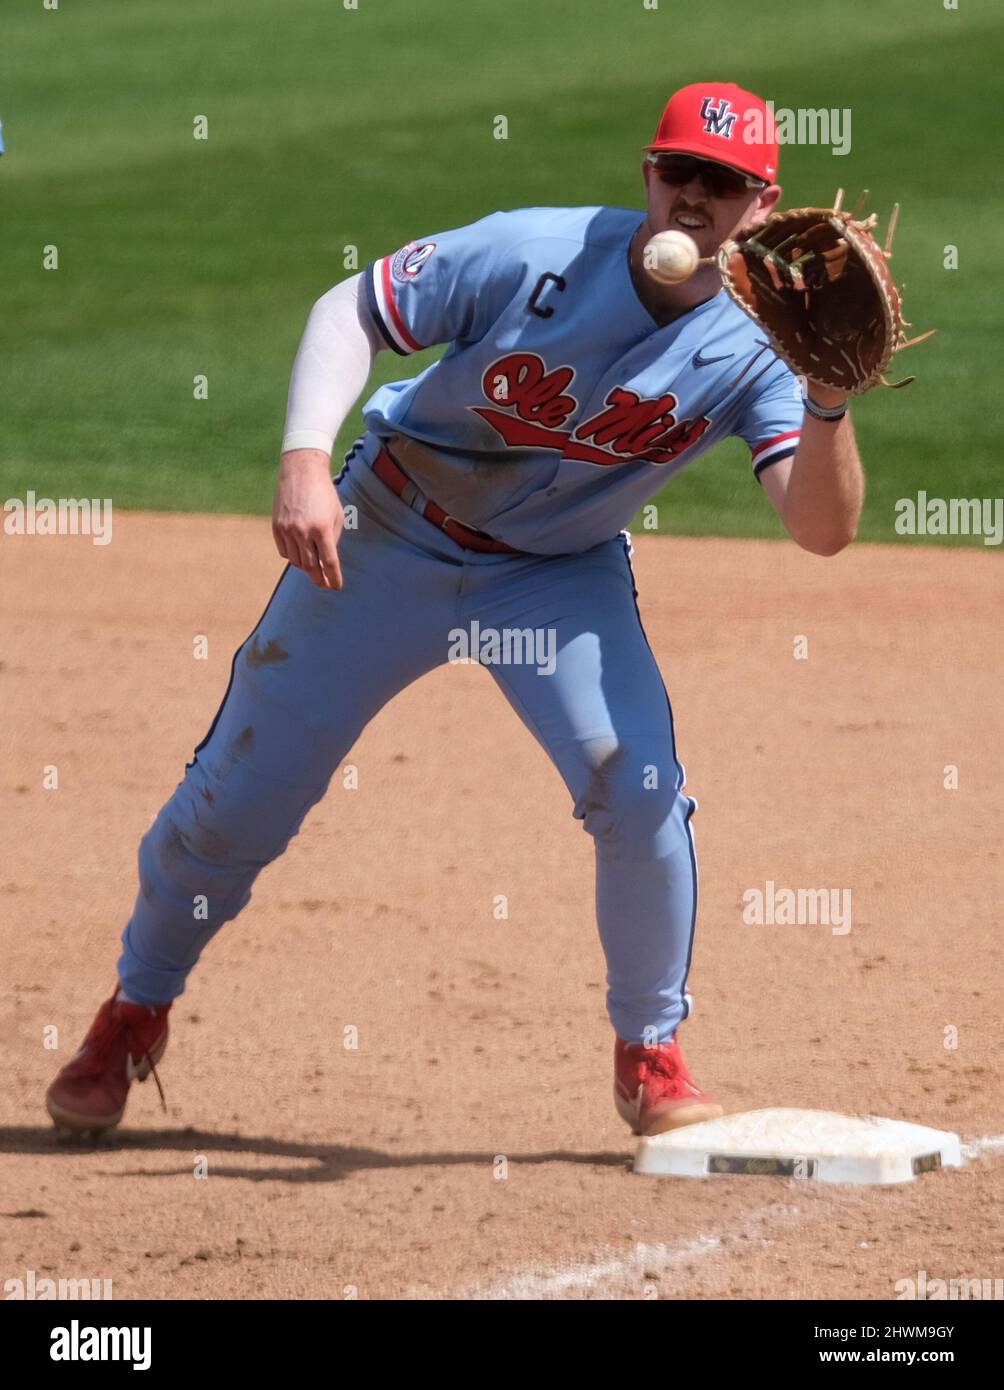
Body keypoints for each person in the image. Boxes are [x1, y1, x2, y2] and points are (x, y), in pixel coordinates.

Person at [46, 82, 863, 1140]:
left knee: (640, 785)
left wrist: (828, 400)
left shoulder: (762, 346)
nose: (696, 202)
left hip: (556, 576)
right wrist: (302, 462)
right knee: (234, 801)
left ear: (763, 206)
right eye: (679, 174)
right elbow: (349, 307)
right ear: (646, 177)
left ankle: (649, 1053)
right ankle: (135, 1007)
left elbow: (819, 529)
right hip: (388, 533)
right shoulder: (532, 252)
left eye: (726, 185)